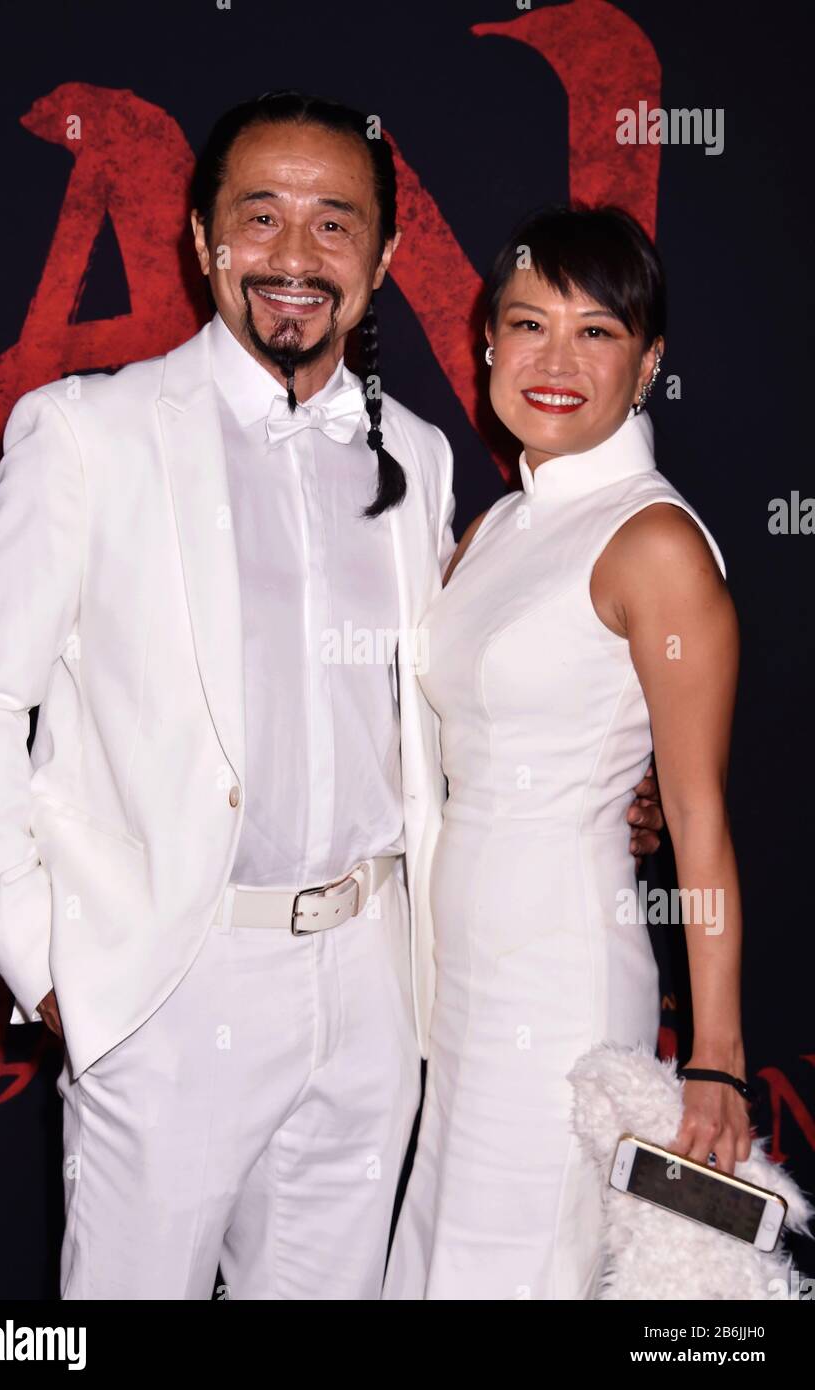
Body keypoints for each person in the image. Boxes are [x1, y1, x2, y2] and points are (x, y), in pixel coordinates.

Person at [0, 97, 660, 1300]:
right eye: (258, 217)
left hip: (376, 982)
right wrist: (46, 956)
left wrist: (579, 785)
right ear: (199, 238)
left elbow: (444, 705)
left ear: (380, 258)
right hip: (168, 975)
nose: (293, 255)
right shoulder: (87, 435)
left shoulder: (419, 458)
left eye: (334, 224)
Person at [382, 203, 750, 1301]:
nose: (554, 360)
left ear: (648, 363)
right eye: (527, 324)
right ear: (485, 343)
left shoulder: (655, 540)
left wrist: (718, 1056)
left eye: (595, 332)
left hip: (558, 988)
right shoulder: (498, 526)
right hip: (458, 987)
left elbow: (695, 820)